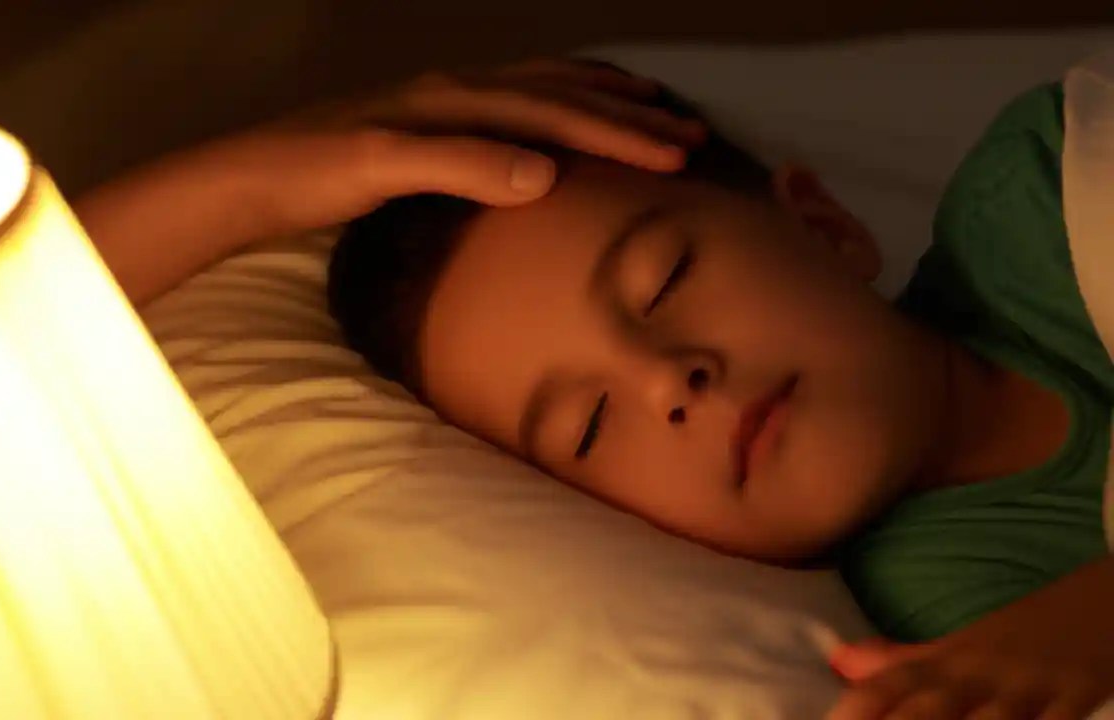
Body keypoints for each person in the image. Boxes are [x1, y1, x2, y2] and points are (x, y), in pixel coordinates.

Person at [74, 58, 1114, 720]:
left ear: (823, 227)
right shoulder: (939, 633)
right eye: (587, 427)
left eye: (662, 280)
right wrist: (259, 179)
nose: (669, 380)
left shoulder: (1040, 194)